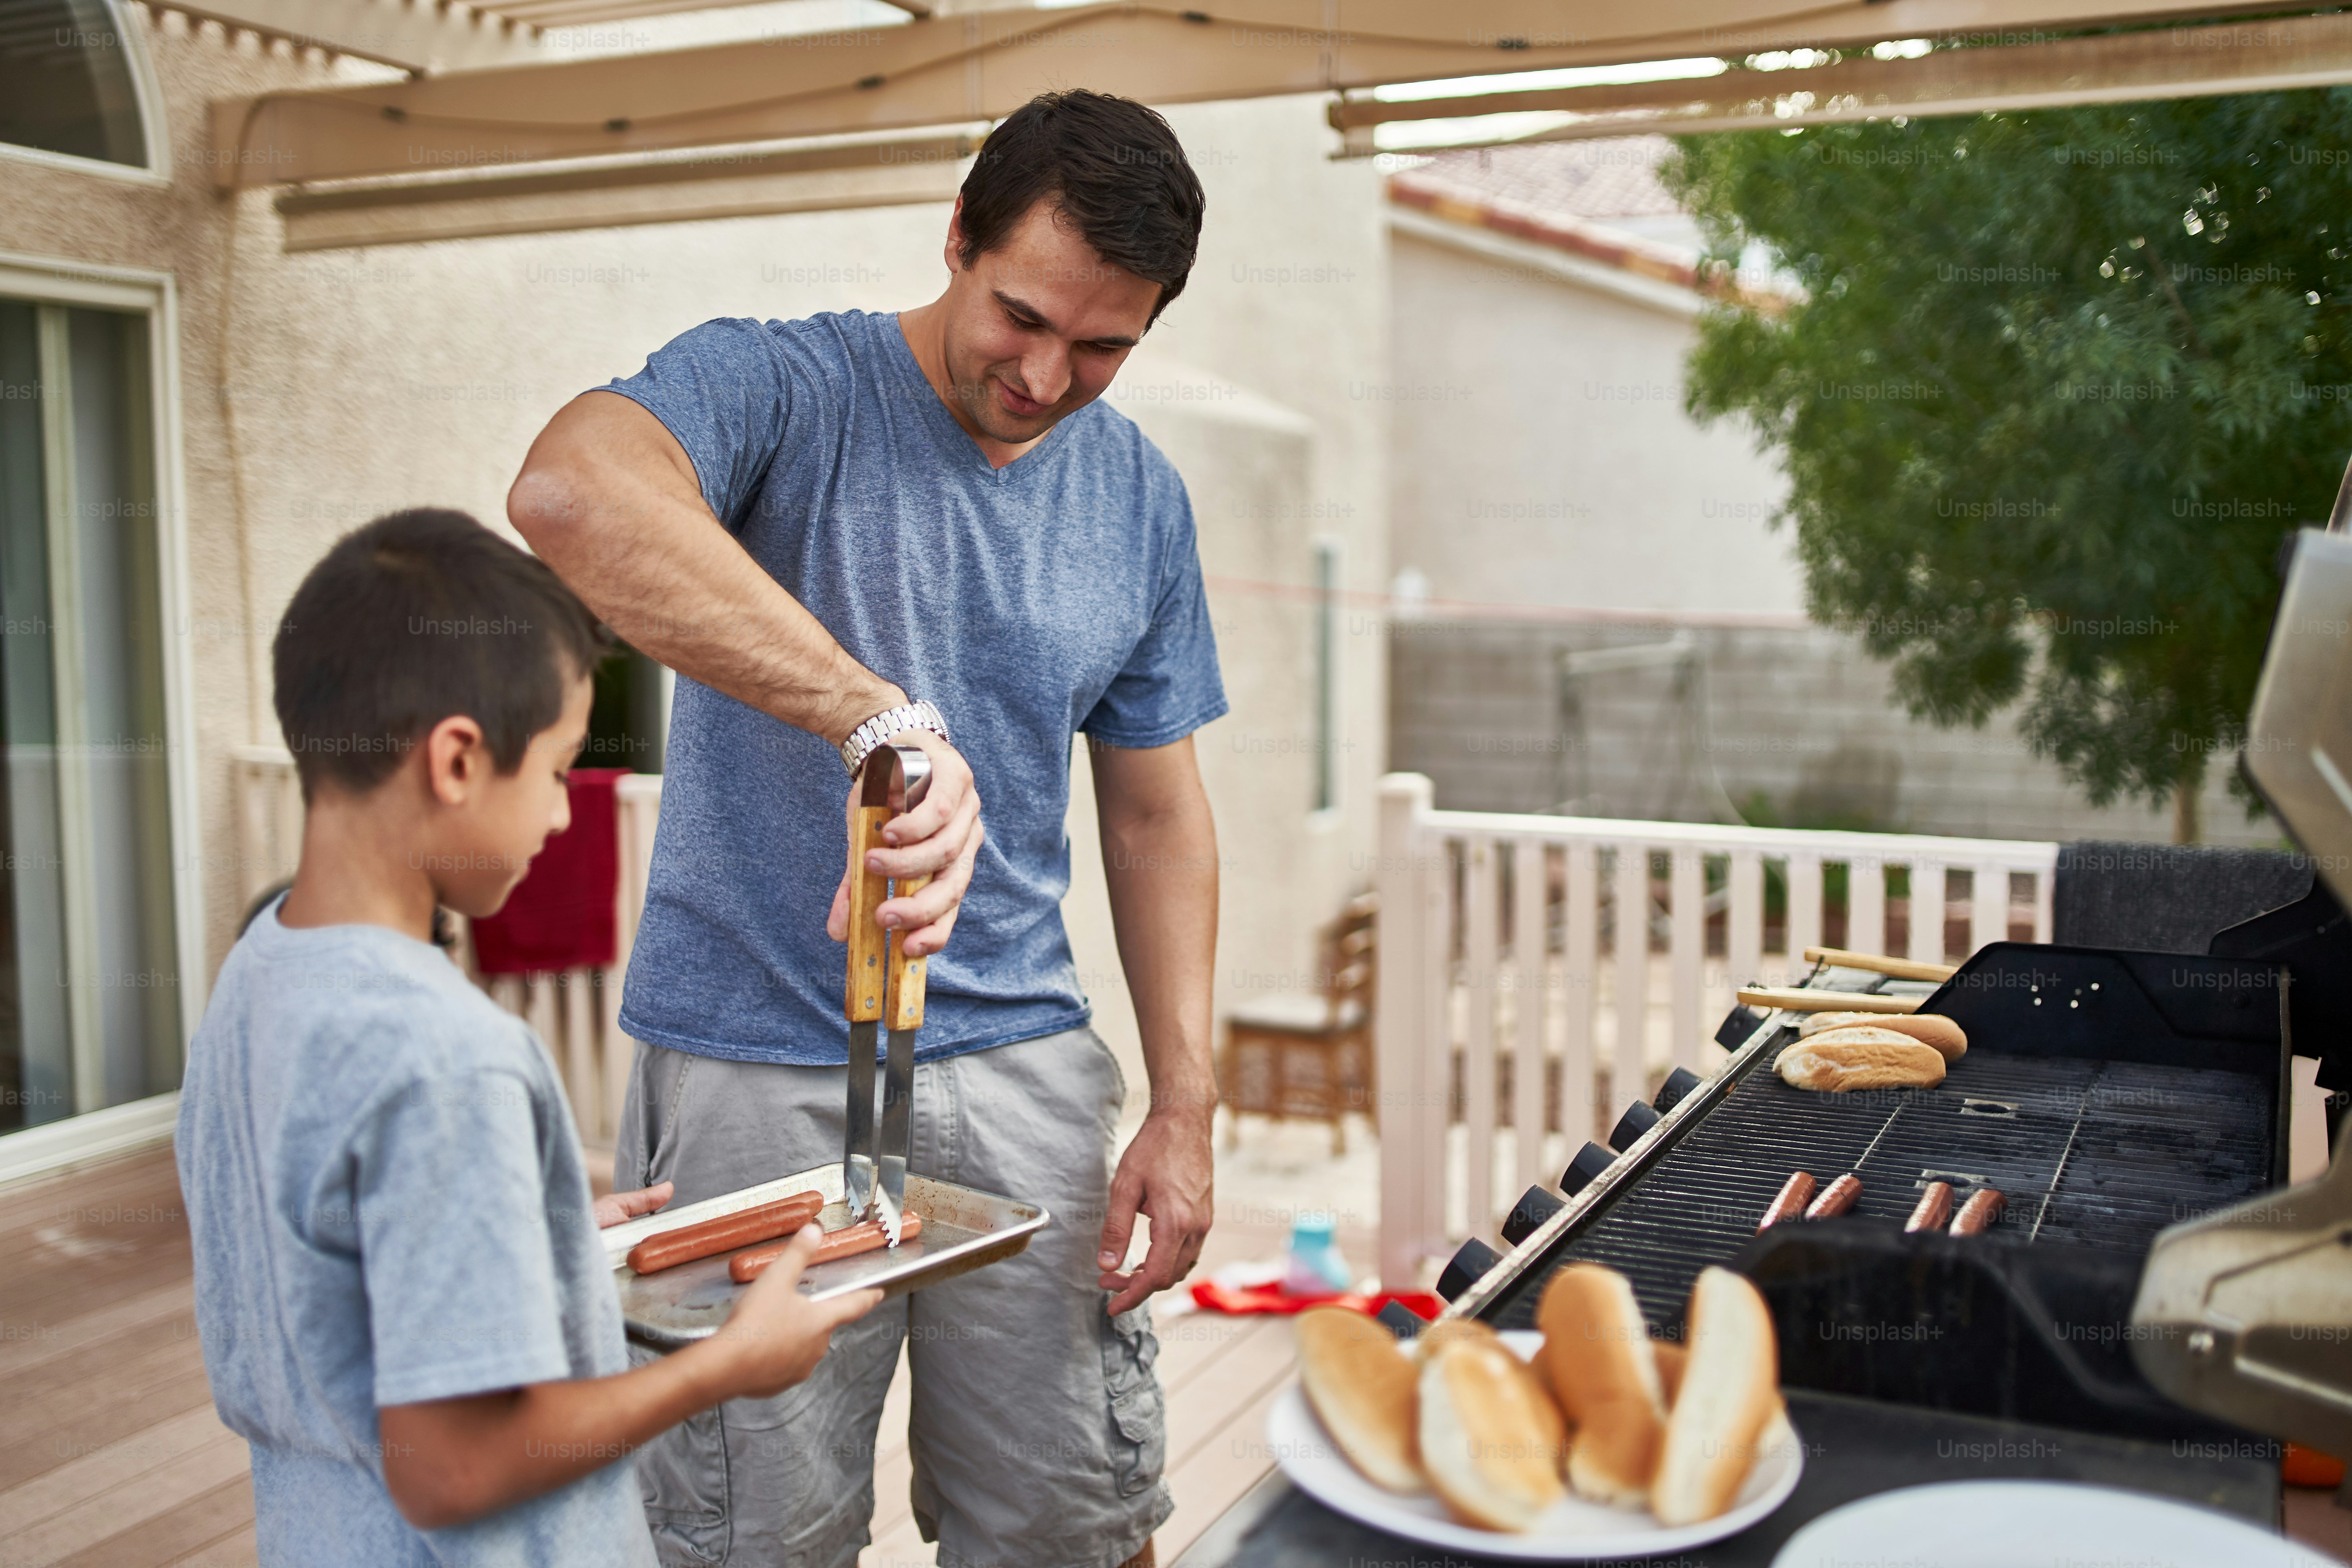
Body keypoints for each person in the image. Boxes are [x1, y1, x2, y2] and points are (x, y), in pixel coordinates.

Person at [507, 89, 1223, 1568]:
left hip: (1027, 1063)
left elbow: (1156, 809)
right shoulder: (780, 389)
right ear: (956, 238)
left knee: (1073, 1528)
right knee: (750, 1536)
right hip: (754, 1074)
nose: (1043, 375)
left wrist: (1186, 1099)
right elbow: (571, 491)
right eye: (1020, 316)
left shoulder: (1141, 496)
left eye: (1101, 347)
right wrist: (881, 719)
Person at [176, 509, 880, 1565]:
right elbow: (451, 1466)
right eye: (556, 769)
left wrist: (539, 1242)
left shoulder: (259, 973)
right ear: (457, 760)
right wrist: (725, 1365)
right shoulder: (447, 1059)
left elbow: (335, 1274)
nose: (560, 816)